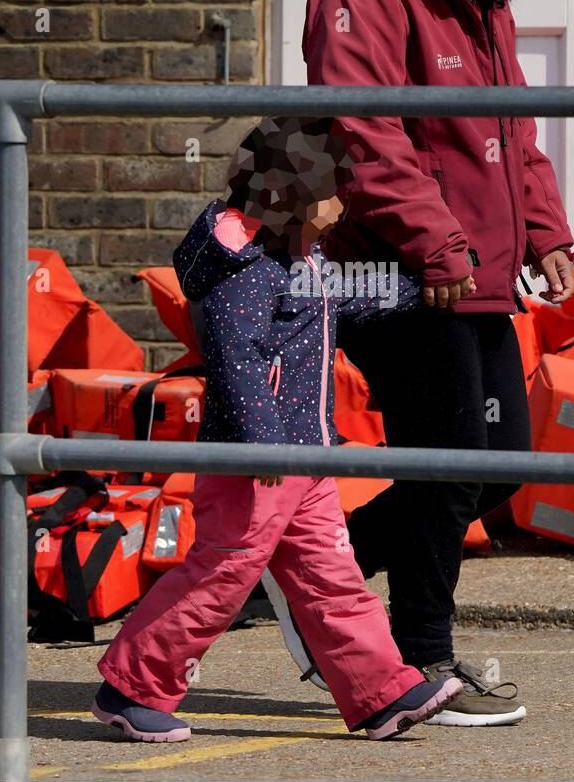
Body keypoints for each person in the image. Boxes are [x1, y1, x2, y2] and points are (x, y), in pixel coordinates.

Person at [291, 0, 574, 727]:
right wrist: (440, 245)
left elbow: (509, 127)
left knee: (495, 471)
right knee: (449, 464)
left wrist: (544, 229)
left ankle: (300, 575)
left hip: (473, 269)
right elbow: (365, 133)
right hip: (396, 271)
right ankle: (421, 661)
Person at [91, 119, 462, 742]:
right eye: (334, 194)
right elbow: (237, 360)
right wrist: (263, 443)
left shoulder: (299, 258)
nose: (345, 206)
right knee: (222, 574)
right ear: (291, 196)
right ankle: (132, 688)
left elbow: (347, 299)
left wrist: (420, 289)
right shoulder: (246, 270)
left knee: (332, 576)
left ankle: (382, 694)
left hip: (306, 456)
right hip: (257, 461)